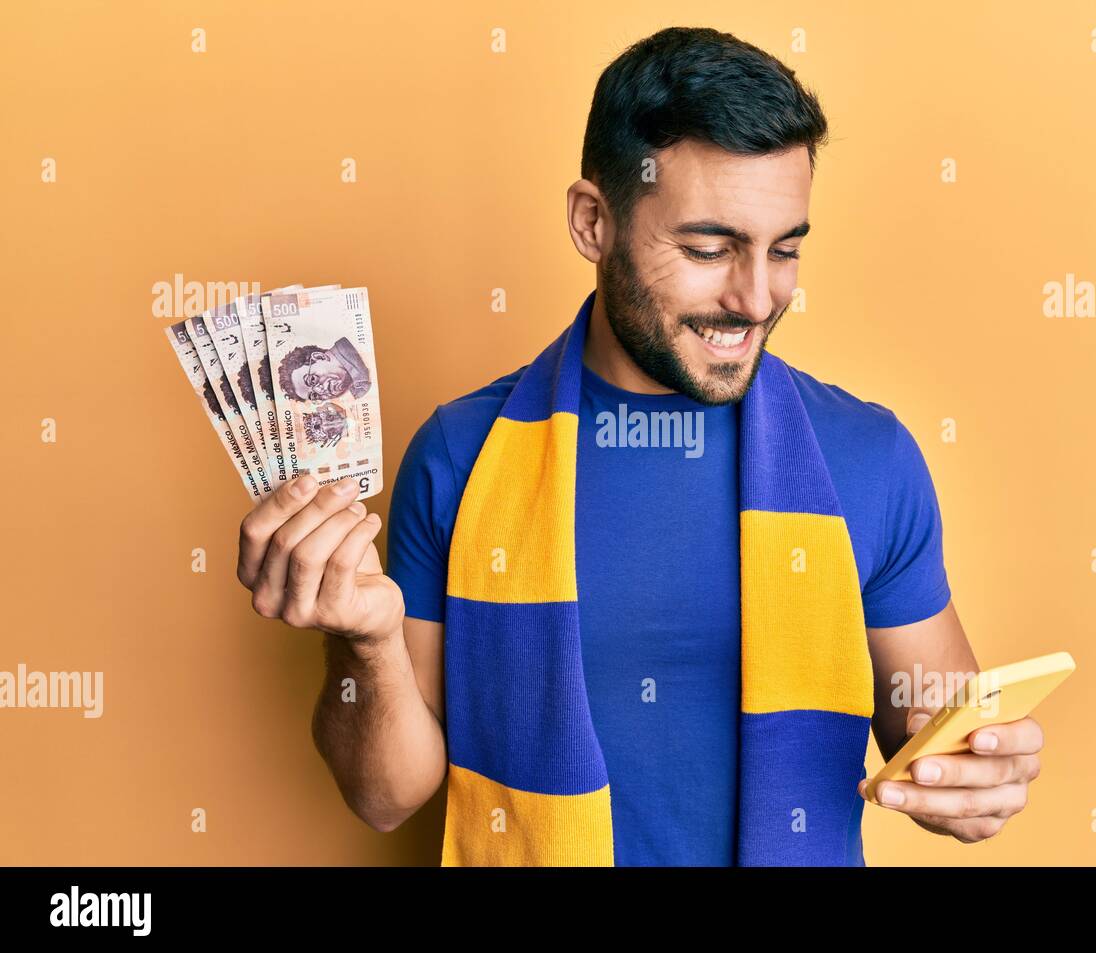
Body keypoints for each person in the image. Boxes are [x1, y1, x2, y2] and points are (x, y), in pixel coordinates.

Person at [235, 26, 1042, 866]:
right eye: (708, 248)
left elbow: (936, 731)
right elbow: (384, 795)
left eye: (786, 249)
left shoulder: (868, 458)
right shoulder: (459, 456)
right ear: (593, 221)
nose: (756, 297)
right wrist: (362, 642)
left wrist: (972, 776)